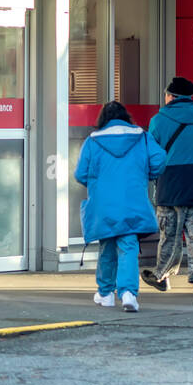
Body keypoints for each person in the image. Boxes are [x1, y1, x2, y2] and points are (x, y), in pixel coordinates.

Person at [75, 101, 166, 313]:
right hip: (133, 201)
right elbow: (159, 159)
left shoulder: (93, 141)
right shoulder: (142, 137)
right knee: (128, 246)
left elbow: (80, 173)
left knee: (107, 245)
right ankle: (128, 293)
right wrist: (146, 174)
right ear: (126, 117)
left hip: (104, 205)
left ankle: (106, 293)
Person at [142, 76, 193, 296]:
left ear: (171, 96)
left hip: (171, 180)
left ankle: (162, 275)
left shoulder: (158, 120)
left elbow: (152, 155)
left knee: (170, 232)